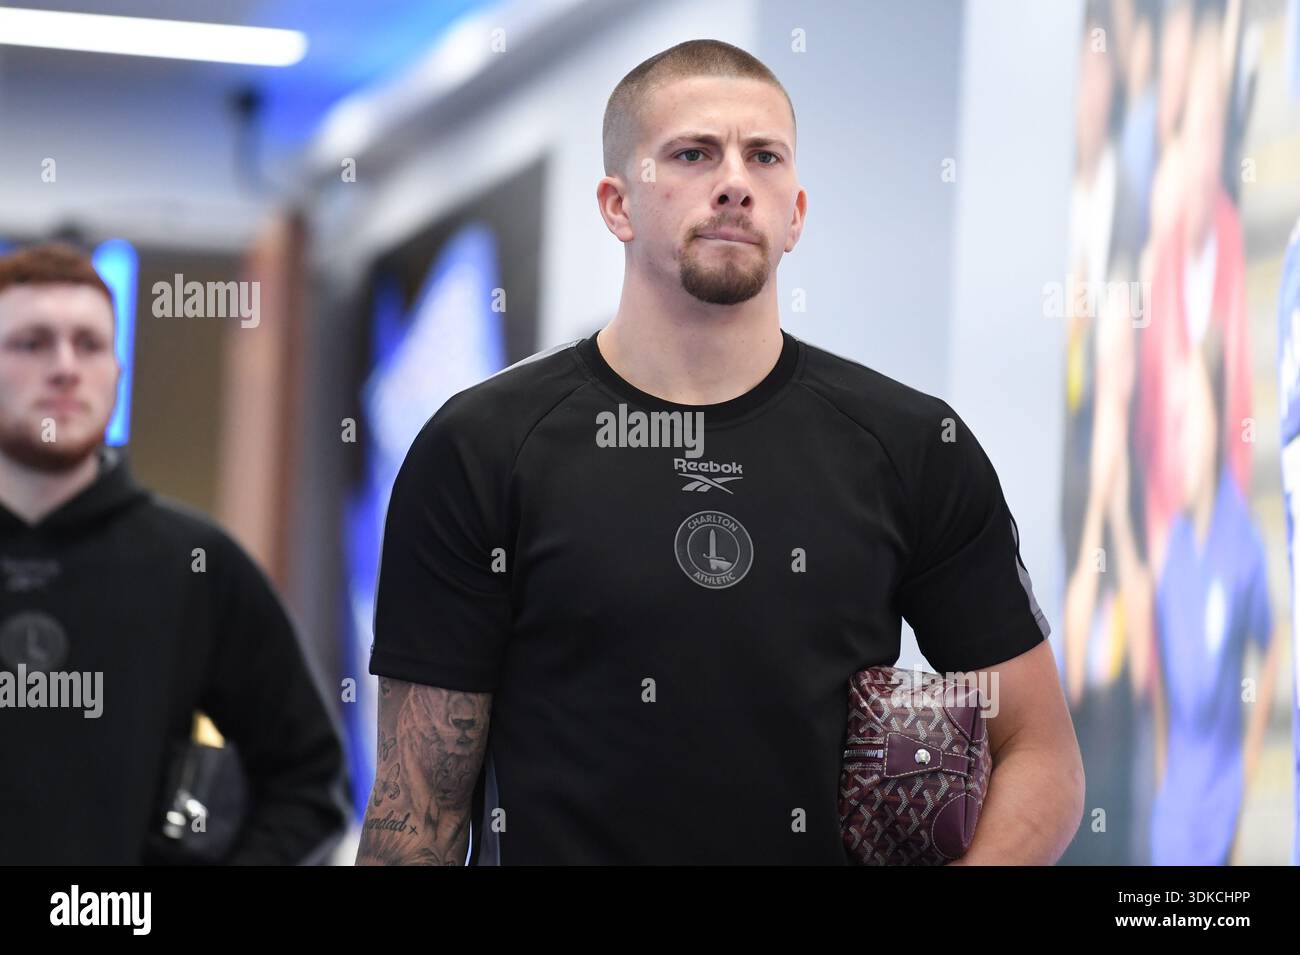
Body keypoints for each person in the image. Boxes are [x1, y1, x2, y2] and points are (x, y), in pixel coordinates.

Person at [359, 39, 1083, 866]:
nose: (735, 180)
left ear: (797, 213)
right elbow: (418, 813)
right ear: (618, 203)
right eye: (694, 153)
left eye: (764, 157)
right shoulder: (481, 448)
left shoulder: (914, 446)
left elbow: (1042, 753)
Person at [0, 242, 348, 864]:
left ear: (117, 371)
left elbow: (307, 785)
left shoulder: (195, 563)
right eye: (31, 343)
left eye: (89, 344)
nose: (64, 367)